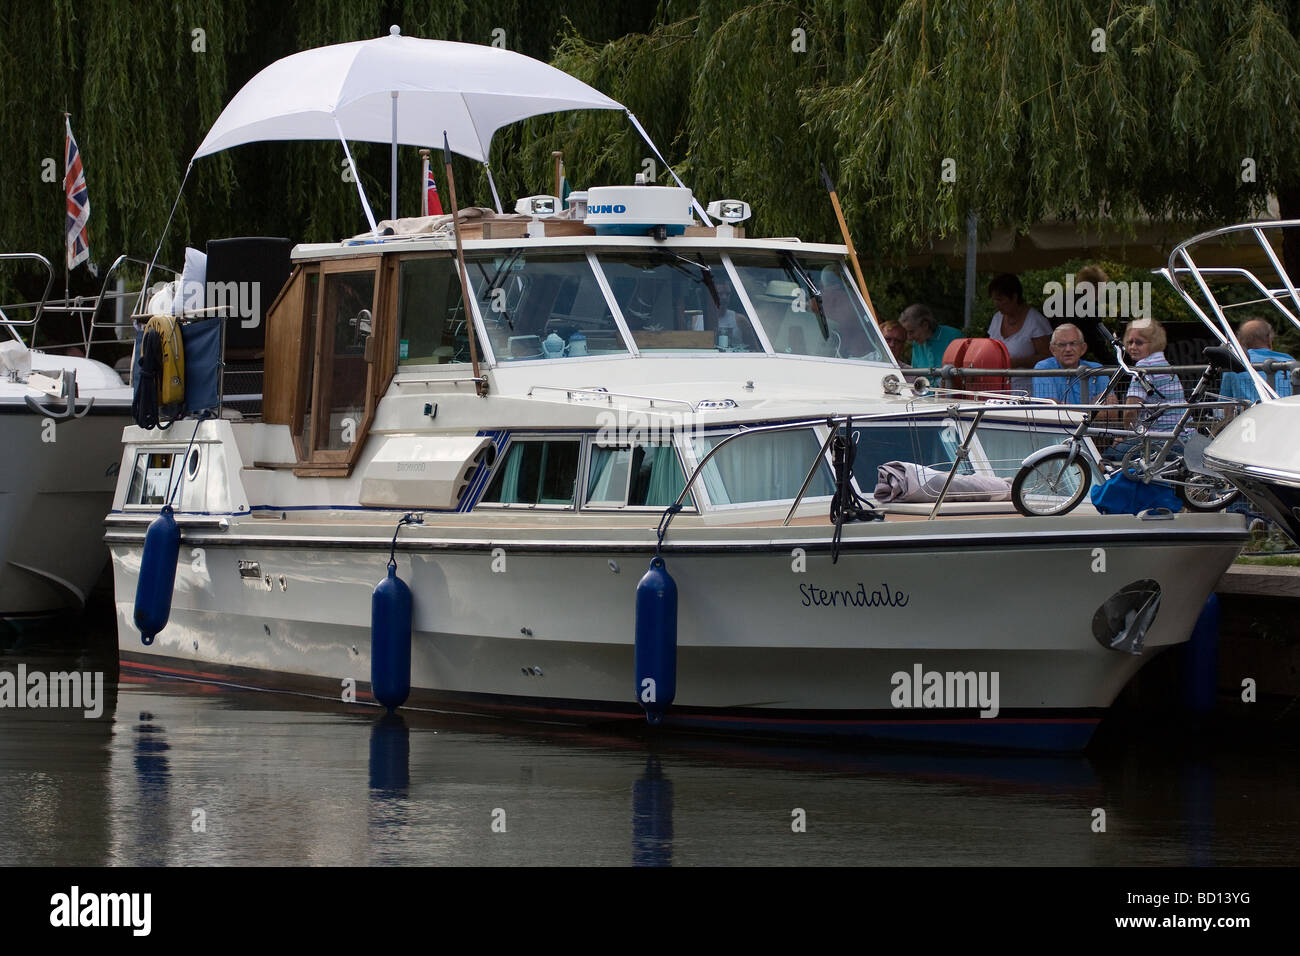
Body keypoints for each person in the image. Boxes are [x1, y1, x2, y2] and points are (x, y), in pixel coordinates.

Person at [1103, 317, 1185, 461]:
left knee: (1105, 457)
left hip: (1159, 440)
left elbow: (1130, 411)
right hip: (1182, 437)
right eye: (1130, 342)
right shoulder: (1164, 364)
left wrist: (1126, 436)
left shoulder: (1143, 368)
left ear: (1153, 343)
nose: (1133, 347)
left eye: (1139, 342)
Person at [988, 273, 1052, 394]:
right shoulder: (997, 318)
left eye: (1000, 300)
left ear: (1014, 297)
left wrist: (1018, 362)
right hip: (998, 389)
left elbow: (1048, 358)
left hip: (1027, 391)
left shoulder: (1035, 321)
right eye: (994, 300)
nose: (997, 304)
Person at [1218, 317, 1296, 402]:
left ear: (1240, 341)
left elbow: (1223, 405)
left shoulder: (1234, 364)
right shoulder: (1289, 361)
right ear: (1269, 339)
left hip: (1250, 413)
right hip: (1287, 412)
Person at [1032, 323, 1113, 404]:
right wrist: (1092, 408)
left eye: (1073, 343)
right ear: (1052, 350)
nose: (1068, 349)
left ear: (1083, 348)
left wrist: (1067, 409)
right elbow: (1051, 411)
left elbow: (1111, 412)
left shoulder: (1096, 369)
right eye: (1062, 345)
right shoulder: (1044, 368)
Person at [898, 303, 961, 369]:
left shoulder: (953, 337)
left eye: (911, 332)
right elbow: (915, 374)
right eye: (906, 332)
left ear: (925, 325)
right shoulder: (917, 343)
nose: (909, 337)